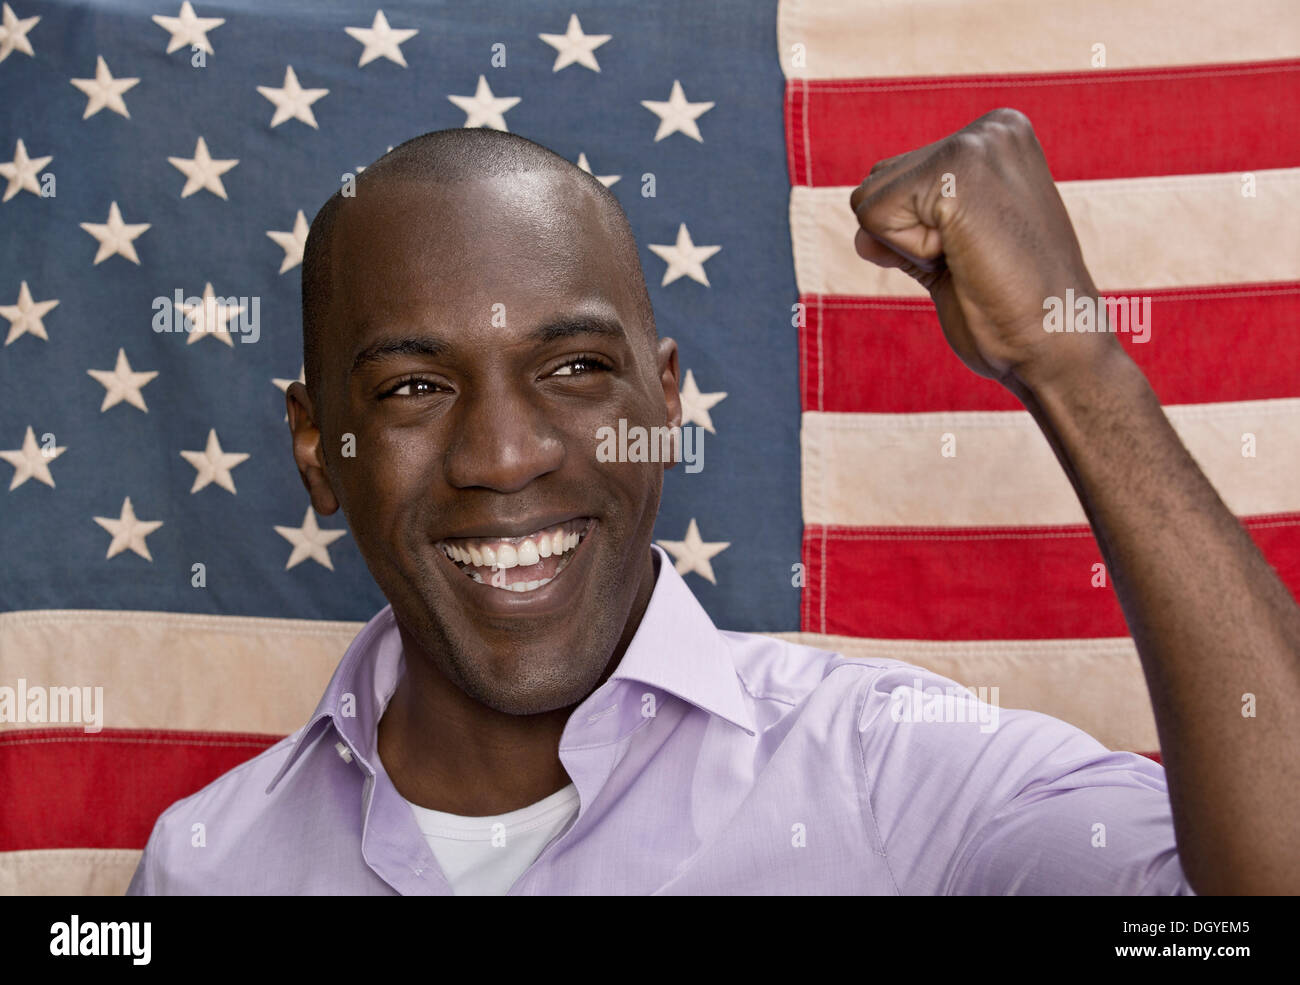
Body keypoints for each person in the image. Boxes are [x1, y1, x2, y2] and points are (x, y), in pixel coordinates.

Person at [127, 110, 1300, 895]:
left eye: (576, 368)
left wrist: (1075, 366)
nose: (502, 452)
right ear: (316, 451)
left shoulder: (891, 774)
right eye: (415, 387)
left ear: (667, 400)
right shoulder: (205, 863)